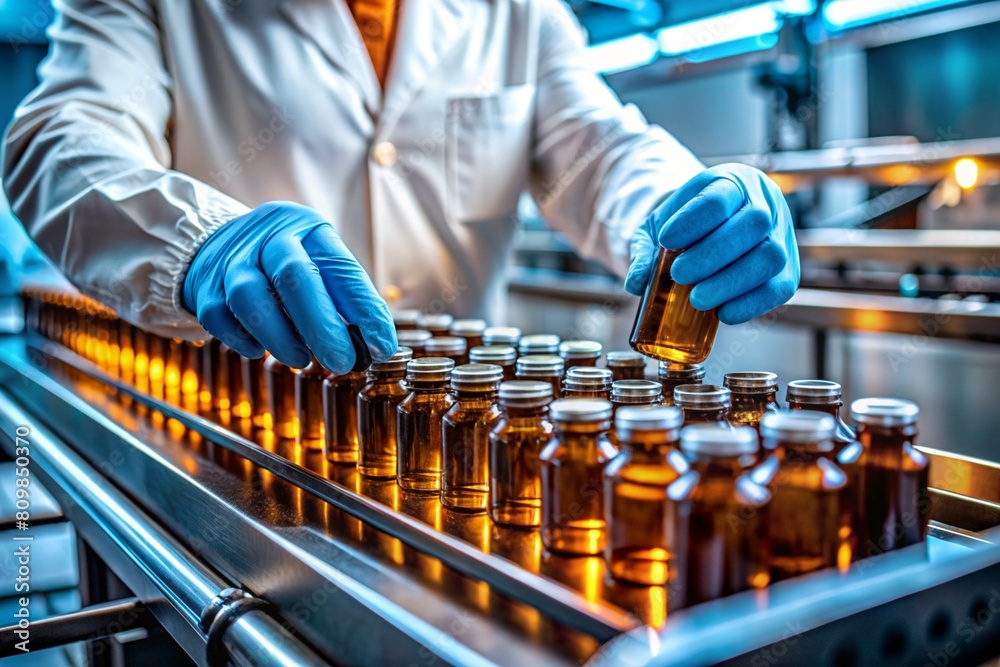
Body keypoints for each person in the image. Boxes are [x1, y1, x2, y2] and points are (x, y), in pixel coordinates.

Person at [2, 0, 799, 375]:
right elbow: (60, 141)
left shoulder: (519, 15)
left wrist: (687, 199)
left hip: (457, 433)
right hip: (239, 424)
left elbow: (599, 154)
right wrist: (200, 239)